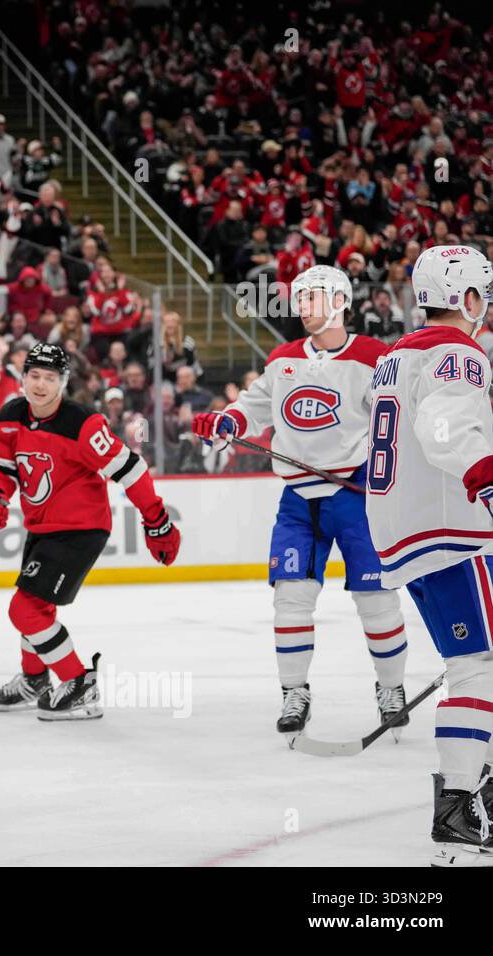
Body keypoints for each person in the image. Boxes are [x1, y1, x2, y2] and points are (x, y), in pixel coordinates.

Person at [193, 265, 409, 738]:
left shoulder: (375, 357)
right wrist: (226, 422)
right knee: (290, 598)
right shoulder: (283, 359)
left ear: (340, 301)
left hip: (356, 498)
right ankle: (294, 692)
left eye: (313, 296)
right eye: (301, 298)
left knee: (376, 599)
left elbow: (398, 421)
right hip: (298, 499)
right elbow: (251, 406)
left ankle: (391, 689)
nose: (302, 306)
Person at [364, 244, 493, 865]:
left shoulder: (393, 357)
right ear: (465, 297)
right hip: (452, 531)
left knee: (475, 659)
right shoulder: (457, 351)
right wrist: (486, 474)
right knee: (479, 663)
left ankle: (476, 791)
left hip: (405, 532)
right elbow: (445, 427)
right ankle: (459, 808)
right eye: (482, 294)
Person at [0, 343, 181, 719]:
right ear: (23, 377)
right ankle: (35, 679)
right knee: (37, 604)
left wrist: (157, 520)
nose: (40, 384)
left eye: (49, 378)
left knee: (24, 609)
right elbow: (2, 470)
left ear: (63, 382)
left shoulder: (83, 424)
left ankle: (79, 682)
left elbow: (130, 468)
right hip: (42, 527)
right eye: (34, 375)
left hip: (80, 528)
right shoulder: (10, 415)